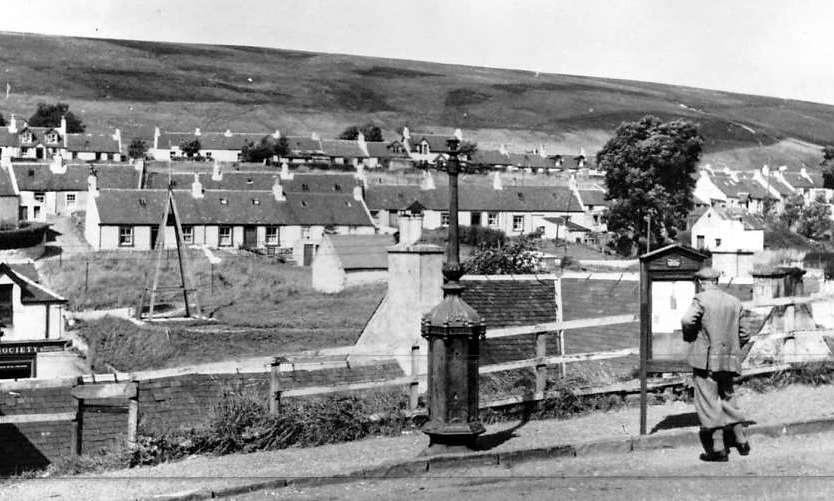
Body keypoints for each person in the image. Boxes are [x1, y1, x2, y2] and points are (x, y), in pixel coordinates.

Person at [681, 266, 751, 462]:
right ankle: (741, 441)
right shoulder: (734, 302)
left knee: (708, 400)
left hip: (706, 360)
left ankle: (719, 448)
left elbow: (687, 320)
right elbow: (745, 333)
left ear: (702, 283)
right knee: (728, 396)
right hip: (728, 359)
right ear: (716, 282)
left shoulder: (701, 299)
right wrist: (733, 347)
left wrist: (691, 336)